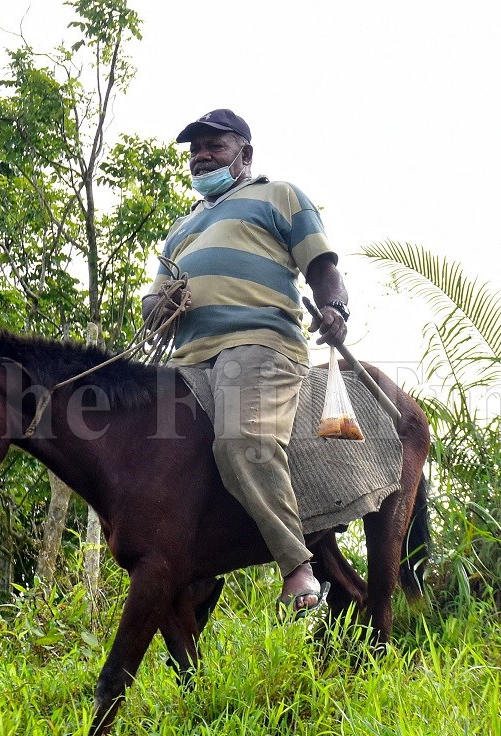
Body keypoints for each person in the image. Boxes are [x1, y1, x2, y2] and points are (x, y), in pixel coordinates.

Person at [142, 109, 351, 614]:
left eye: (214, 146)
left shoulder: (278, 195)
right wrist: (161, 305)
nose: (201, 157)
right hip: (186, 357)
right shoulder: (180, 229)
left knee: (240, 441)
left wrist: (334, 308)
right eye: (195, 150)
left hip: (257, 342)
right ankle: (183, 563)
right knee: (140, 445)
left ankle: (297, 565)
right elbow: (151, 311)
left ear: (245, 153)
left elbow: (323, 267)